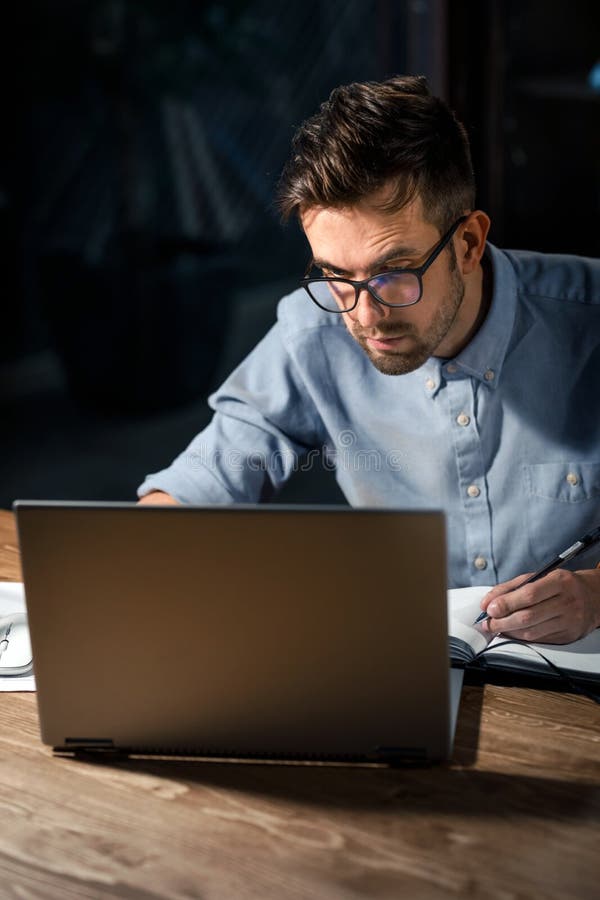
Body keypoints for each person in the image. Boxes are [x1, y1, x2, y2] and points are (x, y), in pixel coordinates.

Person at [138, 74, 600, 645]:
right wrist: (143, 551)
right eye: (336, 274)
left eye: (393, 273)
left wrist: (594, 596)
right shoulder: (313, 332)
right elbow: (202, 482)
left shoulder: (588, 322)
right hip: (405, 663)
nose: (364, 314)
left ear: (468, 244)